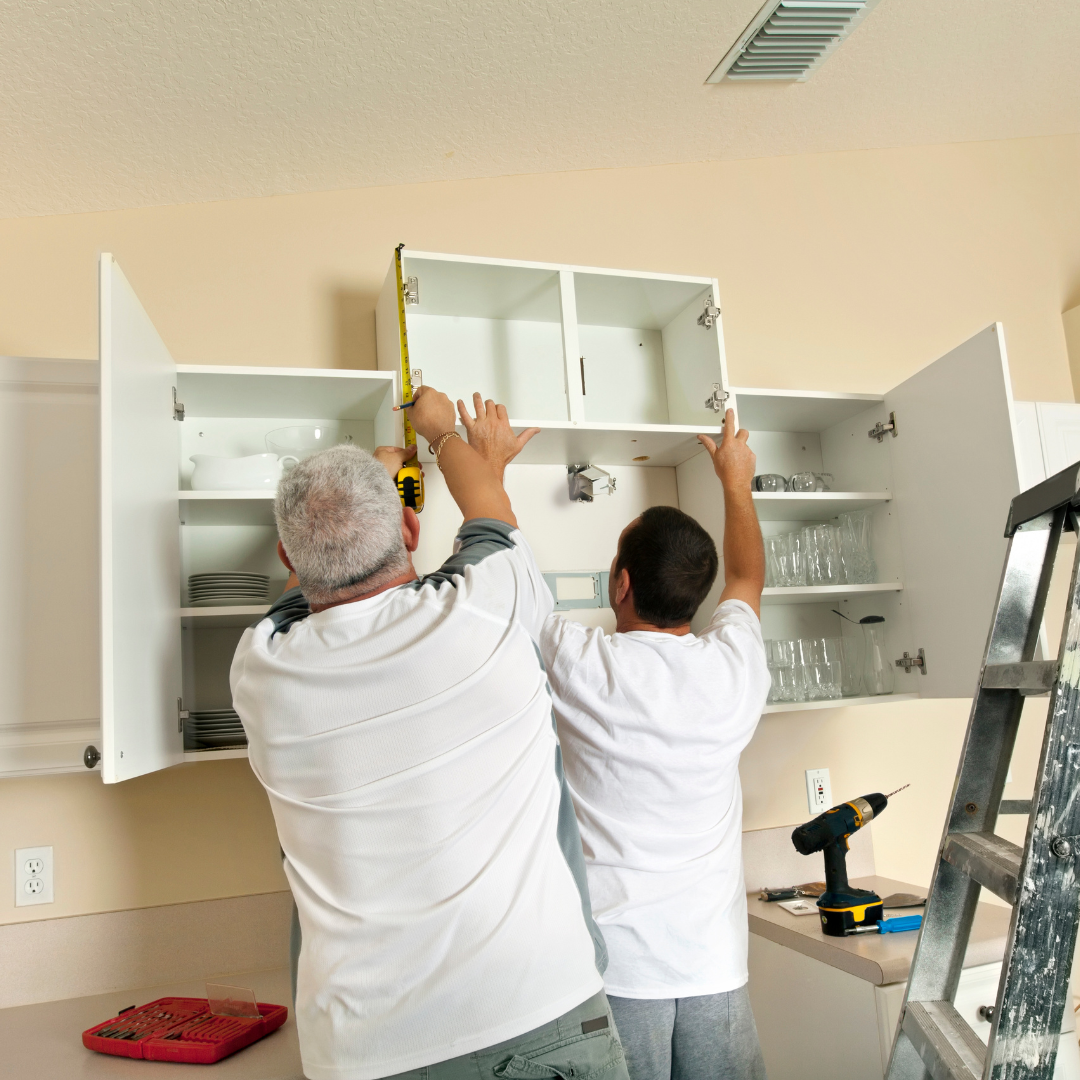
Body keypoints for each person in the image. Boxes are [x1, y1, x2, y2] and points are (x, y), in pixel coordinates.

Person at [230, 386, 630, 1080]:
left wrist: (378, 481)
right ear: (411, 533)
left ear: (287, 557)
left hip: (368, 1051)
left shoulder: (260, 671)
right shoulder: (489, 611)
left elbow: (305, 596)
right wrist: (444, 434)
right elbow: (488, 514)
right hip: (540, 1009)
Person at [467, 408, 770, 1080]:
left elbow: (511, 569)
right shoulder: (735, 669)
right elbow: (748, 579)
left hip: (618, 969)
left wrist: (488, 468)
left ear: (622, 583)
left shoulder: (586, 665)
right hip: (717, 965)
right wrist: (736, 484)